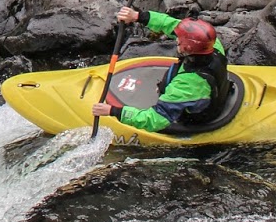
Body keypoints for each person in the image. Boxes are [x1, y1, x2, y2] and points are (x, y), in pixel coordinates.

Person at [91, 8, 228, 133]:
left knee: (169, 107)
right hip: (209, 94)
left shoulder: (186, 85)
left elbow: (154, 120)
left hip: (195, 115)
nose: (176, 40)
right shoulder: (213, 46)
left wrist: (113, 111)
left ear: (188, 49)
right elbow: (171, 24)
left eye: (180, 40)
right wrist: (138, 16)